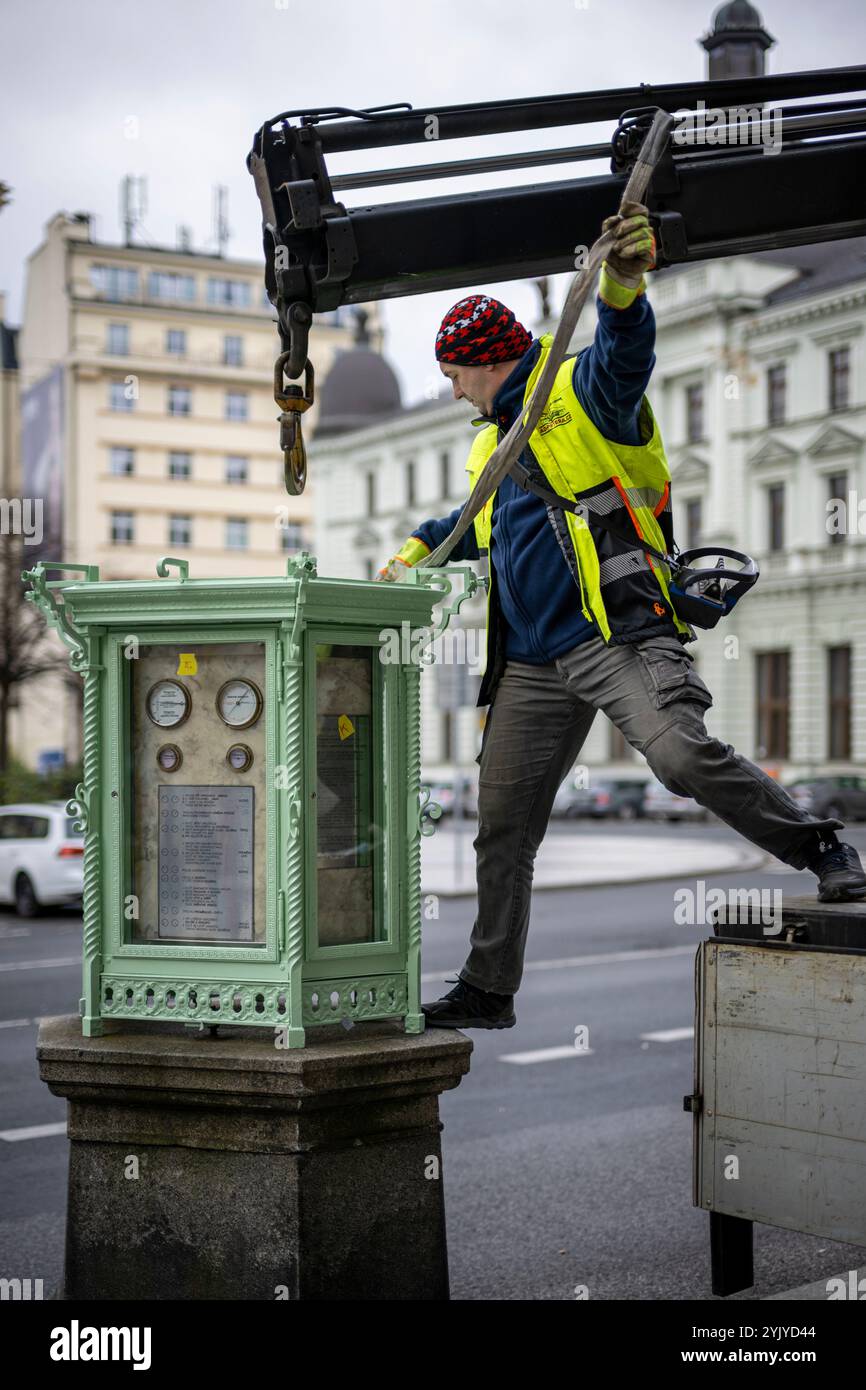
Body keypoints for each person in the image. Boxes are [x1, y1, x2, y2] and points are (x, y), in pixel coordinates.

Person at [376, 203, 866, 1031]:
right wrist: (418, 551)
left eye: (454, 373)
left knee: (678, 754)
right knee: (502, 832)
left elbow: (623, 361)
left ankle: (821, 847)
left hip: (616, 633)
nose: (451, 388)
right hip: (530, 664)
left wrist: (623, 288)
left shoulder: (576, 393)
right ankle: (489, 988)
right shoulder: (487, 439)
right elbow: (472, 522)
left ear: (483, 362)